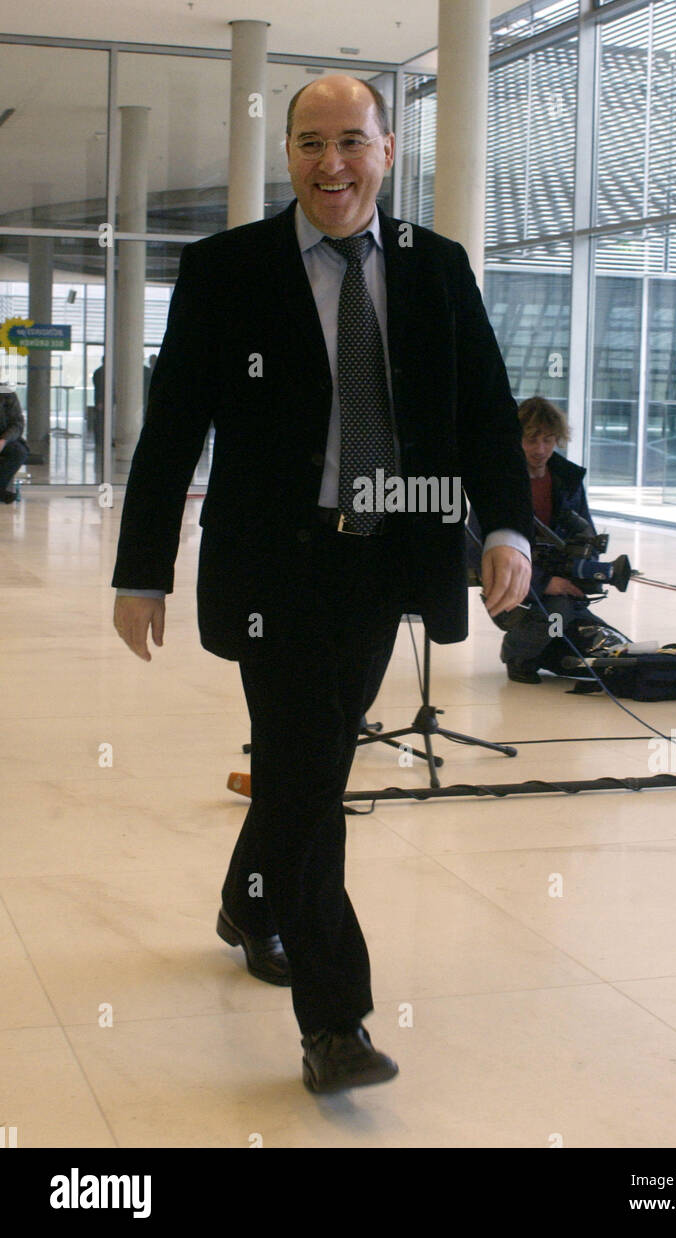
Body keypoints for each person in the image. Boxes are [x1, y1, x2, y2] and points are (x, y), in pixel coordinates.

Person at [111, 74, 533, 1095]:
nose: (330, 163)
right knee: (311, 775)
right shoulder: (228, 269)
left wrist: (509, 524)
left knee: (310, 764)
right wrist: (140, 566)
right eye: (309, 142)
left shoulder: (436, 268)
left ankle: (249, 902)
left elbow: (482, 406)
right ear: (287, 154)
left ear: (387, 150)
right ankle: (333, 1022)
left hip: (385, 560)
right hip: (275, 564)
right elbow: (174, 426)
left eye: (351, 140)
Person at [469, 396, 625, 683]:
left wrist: (585, 573)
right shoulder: (498, 483)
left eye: (548, 440)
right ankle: (517, 654)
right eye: (532, 440)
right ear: (517, 440)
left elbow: (586, 534)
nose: (541, 450)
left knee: (608, 643)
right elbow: (477, 550)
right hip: (514, 591)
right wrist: (544, 582)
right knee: (557, 614)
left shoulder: (566, 480)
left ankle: (543, 651)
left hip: (563, 587)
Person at [0, 382, 30, 503]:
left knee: (18, 452)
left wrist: (3, 440)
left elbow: (17, 423)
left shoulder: (6, 394)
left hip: (3, 437)